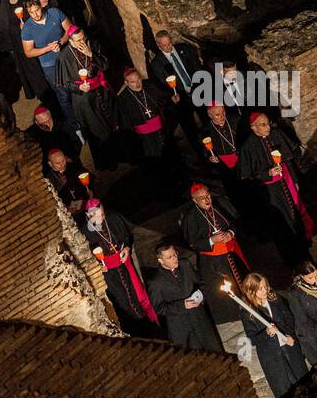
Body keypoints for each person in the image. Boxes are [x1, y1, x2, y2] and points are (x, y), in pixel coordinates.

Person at [239, 112, 313, 263]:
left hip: (287, 181)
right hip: (271, 191)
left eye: (268, 123)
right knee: (282, 221)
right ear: (254, 128)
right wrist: (267, 173)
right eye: (263, 125)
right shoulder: (248, 147)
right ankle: (291, 254)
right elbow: (248, 176)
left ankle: (303, 243)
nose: (268, 128)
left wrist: (295, 180)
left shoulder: (276, 134)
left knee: (296, 213)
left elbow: (288, 160)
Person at [82, 200, 160, 337]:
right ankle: (138, 330)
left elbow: (127, 236)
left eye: (97, 210)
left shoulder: (114, 217)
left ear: (103, 207)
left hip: (125, 263)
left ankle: (152, 323)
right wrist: (97, 266)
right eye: (91, 213)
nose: (96, 214)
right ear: (88, 216)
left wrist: (127, 248)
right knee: (122, 301)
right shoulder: (85, 231)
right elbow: (85, 256)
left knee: (139, 293)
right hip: (109, 273)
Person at [181, 183, 250, 326]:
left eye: (208, 196)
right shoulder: (191, 217)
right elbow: (192, 243)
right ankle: (238, 313)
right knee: (226, 289)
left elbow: (235, 222)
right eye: (202, 198)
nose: (207, 200)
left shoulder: (219, 204)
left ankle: (251, 303)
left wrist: (230, 233)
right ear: (195, 200)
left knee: (243, 279)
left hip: (232, 252)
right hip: (214, 260)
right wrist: (212, 240)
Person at [55, 25, 117, 169]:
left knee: (110, 124)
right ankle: (104, 163)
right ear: (70, 42)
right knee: (94, 131)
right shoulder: (64, 57)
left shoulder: (93, 44)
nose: (82, 43)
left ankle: (117, 155)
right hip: (83, 99)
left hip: (101, 92)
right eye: (78, 41)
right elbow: (64, 84)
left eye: (83, 38)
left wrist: (91, 54)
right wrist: (78, 87)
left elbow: (106, 65)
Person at [239, 273, 308, 398]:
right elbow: (252, 338)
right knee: (286, 392)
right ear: (251, 291)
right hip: (273, 357)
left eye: (265, 286)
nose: (265, 291)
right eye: (260, 289)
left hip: (289, 347)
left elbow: (289, 318)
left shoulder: (274, 299)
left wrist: (289, 334)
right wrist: (267, 333)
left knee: (303, 382)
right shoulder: (248, 312)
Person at [148, 243, 223, 352]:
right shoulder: (155, 282)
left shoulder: (185, 264)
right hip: (182, 329)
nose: (175, 258)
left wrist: (201, 295)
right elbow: (159, 308)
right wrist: (182, 305)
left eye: (175, 254)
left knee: (215, 351)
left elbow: (200, 283)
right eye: (170, 257)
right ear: (161, 260)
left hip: (200, 319)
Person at [20, 0, 76, 134]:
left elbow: (70, 29)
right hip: (50, 66)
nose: (35, 15)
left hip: (68, 58)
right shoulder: (27, 28)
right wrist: (48, 48)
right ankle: (75, 125)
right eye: (31, 12)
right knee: (63, 94)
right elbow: (28, 52)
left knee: (77, 86)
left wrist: (61, 42)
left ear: (41, 6)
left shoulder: (54, 13)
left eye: (37, 10)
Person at [0, 0, 50, 101]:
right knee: (29, 67)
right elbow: (5, 26)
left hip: (31, 37)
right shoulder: (5, 7)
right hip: (18, 42)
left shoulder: (23, 1)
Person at [148, 29, 205, 143]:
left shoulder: (184, 48)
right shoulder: (156, 63)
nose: (168, 47)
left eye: (169, 43)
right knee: (190, 129)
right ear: (159, 46)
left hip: (197, 90)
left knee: (206, 118)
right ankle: (199, 152)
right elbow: (159, 85)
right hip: (180, 98)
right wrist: (170, 96)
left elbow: (197, 66)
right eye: (164, 45)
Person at [115, 67, 174, 167]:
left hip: (162, 130)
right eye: (133, 82)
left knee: (170, 156)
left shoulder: (149, 85)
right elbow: (125, 123)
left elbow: (163, 98)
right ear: (126, 83)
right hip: (145, 138)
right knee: (154, 162)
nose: (138, 84)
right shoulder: (123, 99)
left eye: (139, 80)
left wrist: (172, 99)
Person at [43, 149, 90, 218]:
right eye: (57, 163)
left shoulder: (73, 166)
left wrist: (90, 189)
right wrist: (65, 208)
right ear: (50, 164)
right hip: (71, 214)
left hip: (86, 203)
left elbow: (88, 177)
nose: (62, 165)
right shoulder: (49, 179)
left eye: (63, 161)